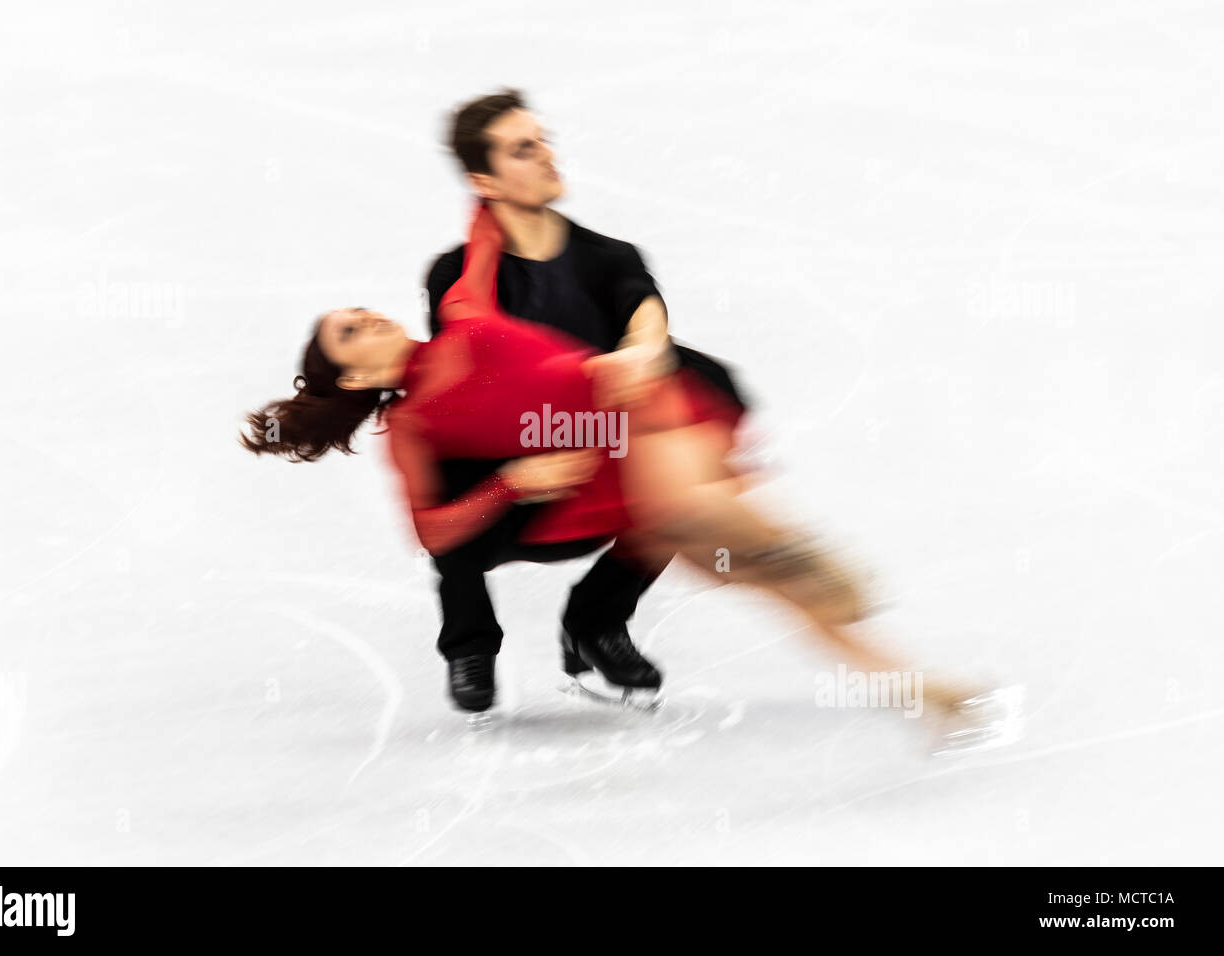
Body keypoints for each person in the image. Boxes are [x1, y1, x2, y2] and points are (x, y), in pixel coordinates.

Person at [242, 201, 1003, 742]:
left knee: (722, 529)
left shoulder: (466, 311)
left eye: (360, 309)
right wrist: (513, 484)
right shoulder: (410, 426)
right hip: (617, 474)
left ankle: (790, 550)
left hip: (649, 413)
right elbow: (432, 530)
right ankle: (923, 693)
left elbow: (484, 228)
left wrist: (500, 174)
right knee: (769, 585)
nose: (368, 315)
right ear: (349, 379)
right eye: (350, 330)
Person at [420, 89, 750, 709]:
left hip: (599, 466)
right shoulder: (455, 277)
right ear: (483, 179)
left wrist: (639, 354)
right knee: (433, 453)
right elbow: (465, 393)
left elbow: (645, 313)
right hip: (510, 488)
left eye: (544, 140)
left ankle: (596, 620)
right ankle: (470, 644)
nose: (547, 156)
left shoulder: (608, 257)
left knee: (696, 424)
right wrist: (519, 470)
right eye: (523, 149)